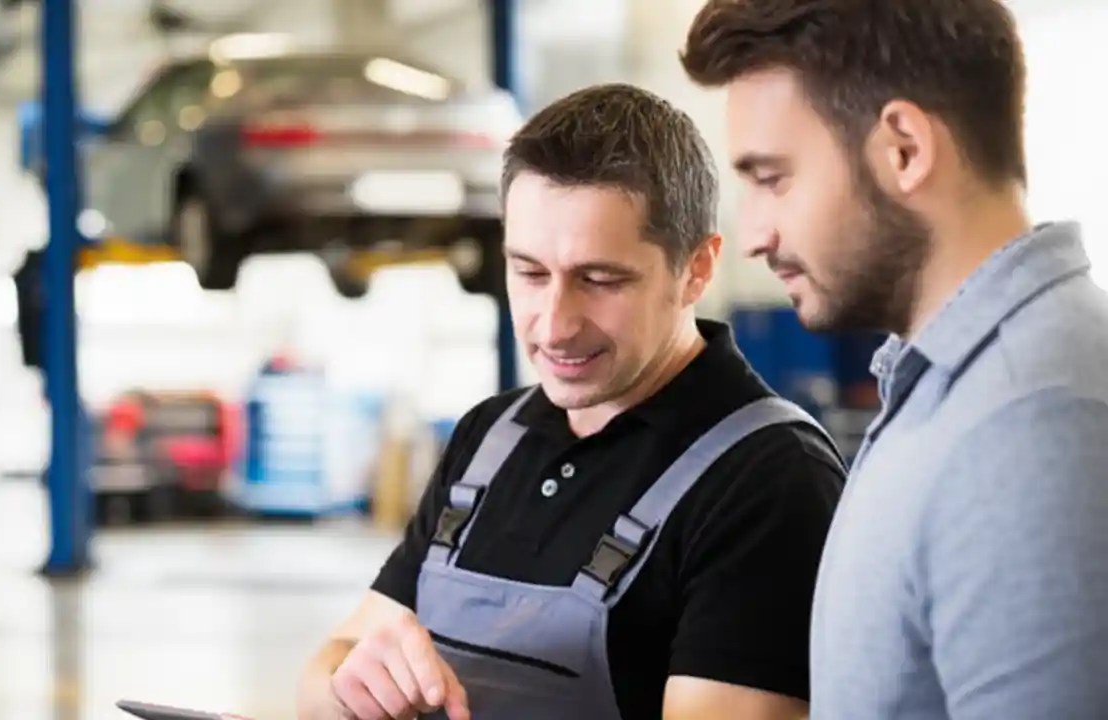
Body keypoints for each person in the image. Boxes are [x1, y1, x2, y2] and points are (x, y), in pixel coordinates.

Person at [295, 83, 846, 720]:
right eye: (529, 273)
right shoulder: (488, 440)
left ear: (696, 268)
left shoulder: (768, 479)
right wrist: (351, 686)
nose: (554, 324)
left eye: (599, 280)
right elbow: (327, 668)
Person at [681, 1, 1108, 718]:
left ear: (904, 149)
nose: (752, 233)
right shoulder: (948, 387)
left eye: (773, 178)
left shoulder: (1031, 426)